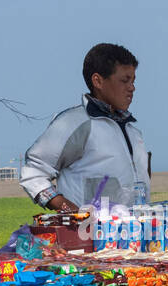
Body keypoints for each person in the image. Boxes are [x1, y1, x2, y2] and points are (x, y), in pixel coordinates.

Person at [20, 43, 150, 213]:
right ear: (98, 81)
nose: (132, 87)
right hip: (89, 237)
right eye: (125, 80)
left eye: (133, 81)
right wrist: (73, 213)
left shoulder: (133, 131)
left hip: (132, 235)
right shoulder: (75, 124)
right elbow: (33, 173)